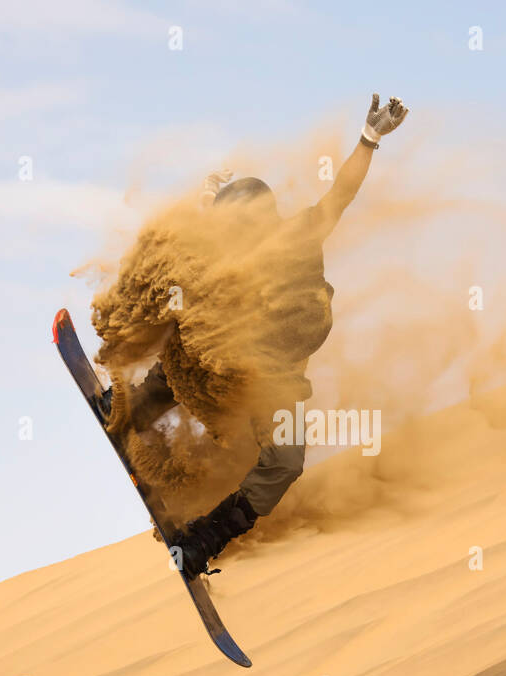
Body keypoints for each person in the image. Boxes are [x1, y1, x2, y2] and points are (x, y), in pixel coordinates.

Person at [131, 94, 409, 579]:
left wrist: (369, 139)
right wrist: (206, 197)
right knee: (194, 318)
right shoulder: (218, 257)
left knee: (285, 462)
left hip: (277, 380)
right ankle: (136, 405)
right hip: (231, 361)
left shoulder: (299, 233)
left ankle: (203, 542)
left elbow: (340, 194)